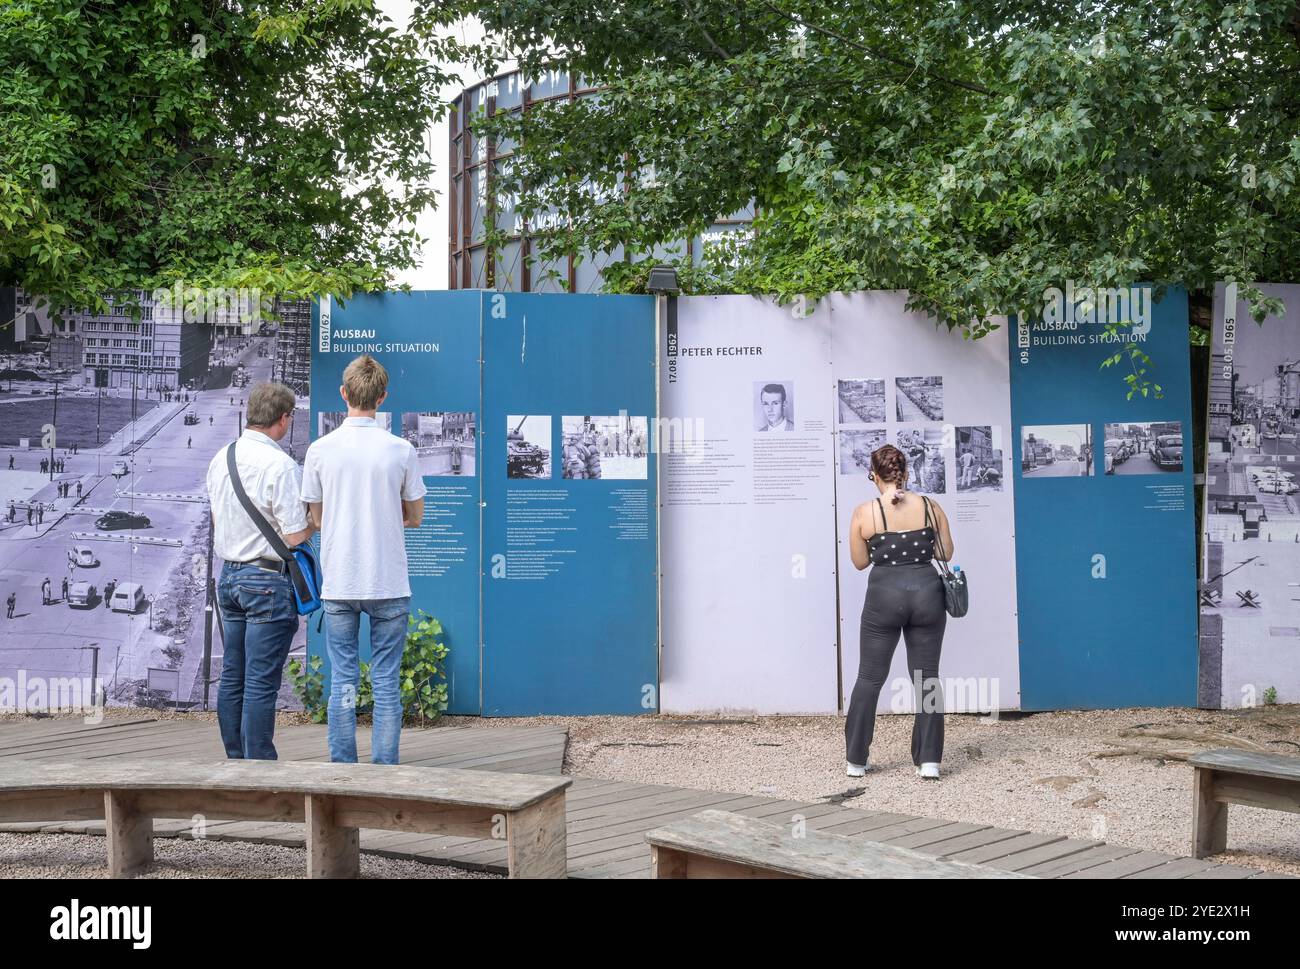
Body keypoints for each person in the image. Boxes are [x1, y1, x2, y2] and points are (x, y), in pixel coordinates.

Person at [301, 355, 425, 766]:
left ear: (343, 394)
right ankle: (384, 773)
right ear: (383, 397)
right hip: (388, 582)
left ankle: (344, 771)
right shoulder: (401, 450)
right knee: (387, 681)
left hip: (340, 581)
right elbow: (416, 516)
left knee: (344, 681)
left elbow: (315, 519)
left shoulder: (320, 450)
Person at [206, 381, 316, 761]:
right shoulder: (282, 466)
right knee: (261, 681)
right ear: (284, 420)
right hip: (267, 580)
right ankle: (261, 769)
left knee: (233, 674)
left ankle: (235, 761)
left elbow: (219, 520)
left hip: (230, 577)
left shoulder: (221, 458)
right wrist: (316, 519)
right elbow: (295, 535)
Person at [844, 444, 955, 780]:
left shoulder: (865, 513)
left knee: (869, 678)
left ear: (874, 476)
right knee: (927, 679)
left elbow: (860, 562)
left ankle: (856, 761)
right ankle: (930, 761)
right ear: (906, 473)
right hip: (926, 595)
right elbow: (946, 553)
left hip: (884, 598)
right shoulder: (930, 507)